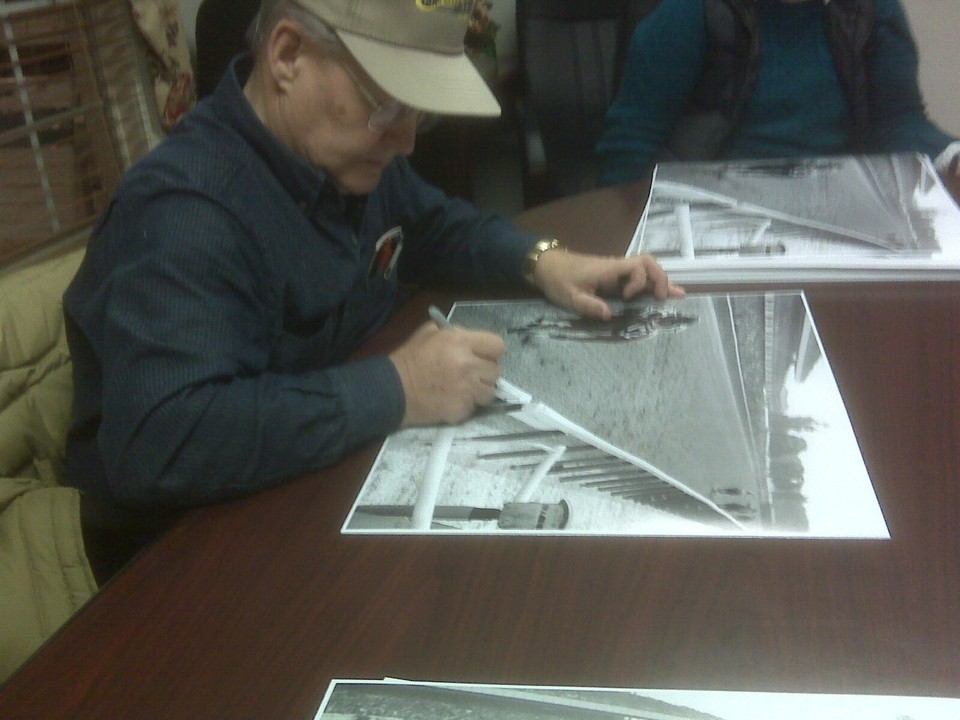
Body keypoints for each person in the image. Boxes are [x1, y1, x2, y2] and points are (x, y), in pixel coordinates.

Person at [63, 0, 683, 548]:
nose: (408, 140)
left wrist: (544, 260)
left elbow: (436, 225)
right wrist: (398, 388)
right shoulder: (185, 213)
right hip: (180, 548)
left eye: (420, 112)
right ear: (286, 55)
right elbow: (161, 443)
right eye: (386, 103)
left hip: (305, 478)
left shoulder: (339, 155)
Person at [596, 0, 960, 203]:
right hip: (716, 208)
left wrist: (952, 155)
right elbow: (630, 144)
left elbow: (899, 121)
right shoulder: (691, 12)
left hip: (839, 208)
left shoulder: (871, 10)